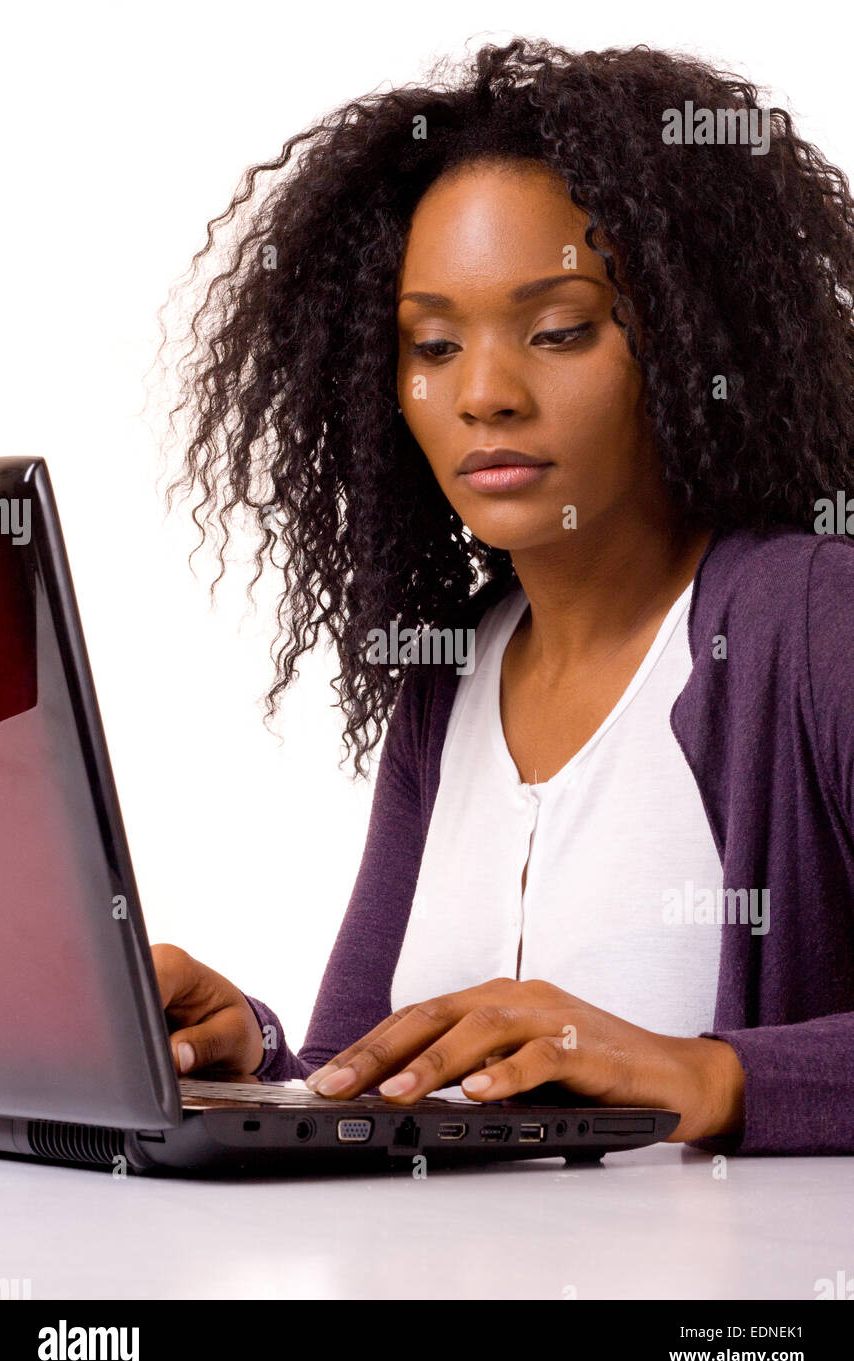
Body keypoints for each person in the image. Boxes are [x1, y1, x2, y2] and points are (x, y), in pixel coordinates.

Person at [152, 39, 854, 1155]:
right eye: (432, 343)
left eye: (558, 329)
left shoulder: (809, 617)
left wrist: (712, 1076)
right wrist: (252, 1054)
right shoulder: (450, 674)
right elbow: (372, 1075)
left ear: (685, 339)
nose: (482, 393)